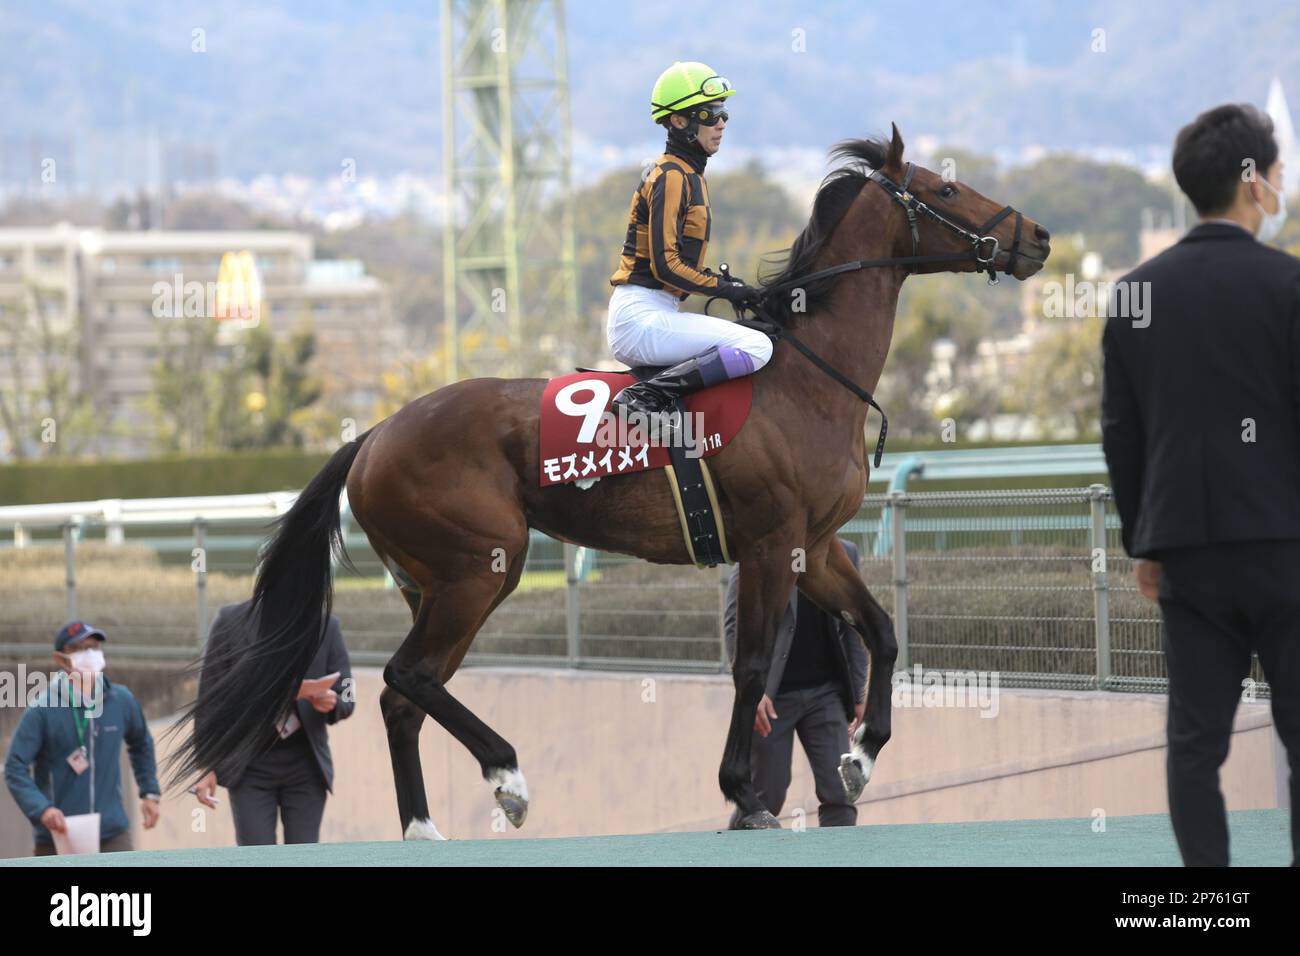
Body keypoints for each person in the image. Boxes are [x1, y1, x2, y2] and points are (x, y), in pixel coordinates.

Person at [1101, 102, 1300, 866]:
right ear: (1252, 184)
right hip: (1288, 545)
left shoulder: (1134, 296)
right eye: (1277, 173)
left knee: (1194, 746)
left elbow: (1124, 438)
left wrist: (1142, 544)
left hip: (1186, 549)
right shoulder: (1287, 285)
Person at [606, 60, 773, 423]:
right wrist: (725, 289)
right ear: (679, 121)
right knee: (757, 346)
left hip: (658, 311)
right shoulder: (671, 176)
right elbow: (666, 266)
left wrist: (726, 284)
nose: (722, 122)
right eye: (710, 113)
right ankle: (643, 398)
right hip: (640, 317)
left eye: (723, 112)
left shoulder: (689, 174)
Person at [722, 538, 868, 828]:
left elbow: (854, 624)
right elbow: (733, 624)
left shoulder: (845, 553)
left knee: (840, 793)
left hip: (826, 693)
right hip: (773, 699)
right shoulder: (760, 549)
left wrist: (858, 692)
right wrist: (753, 689)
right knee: (767, 797)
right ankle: (734, 853)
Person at [192, 598, 353, 845]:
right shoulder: (229, 622)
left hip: (306, 767)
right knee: (256, 858)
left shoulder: (326, 626)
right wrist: (205, 764)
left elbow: (347, 694)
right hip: (249, 766)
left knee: (303, 859)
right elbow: (208, 699)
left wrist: (333, 703)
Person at [4, 620, 160, 855]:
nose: (88, 654)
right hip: (58, 835)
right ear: (60, 659)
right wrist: (42, 810)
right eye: (78, 648)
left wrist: (149, 792)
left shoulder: (121, 700)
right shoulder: (42, 710)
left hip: (112, 834)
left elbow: (141, 743)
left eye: (94, 647)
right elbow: (15, 766)